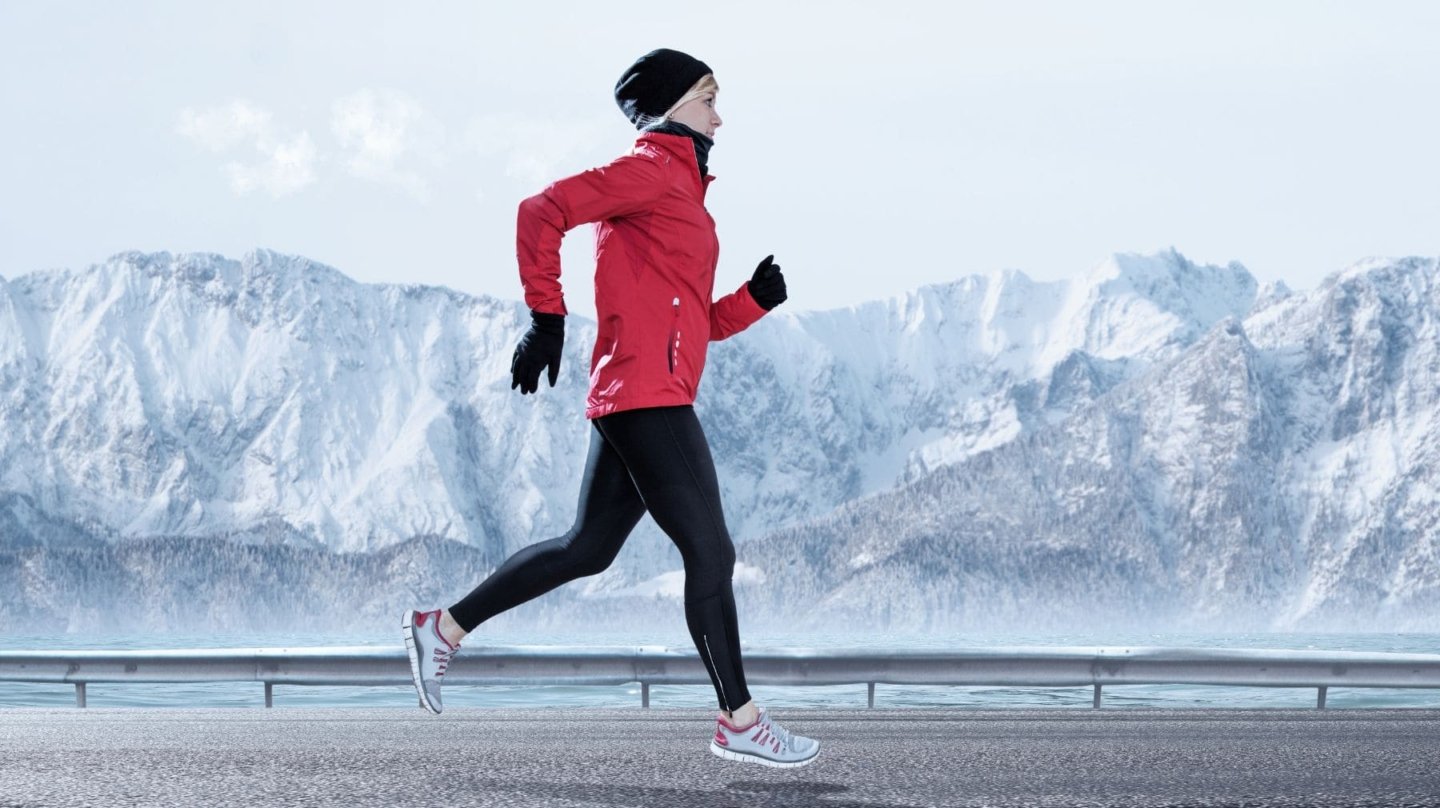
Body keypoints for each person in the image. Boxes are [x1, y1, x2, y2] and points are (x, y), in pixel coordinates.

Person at [403, 48, 819, 768]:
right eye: (708, 97)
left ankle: (442, 628)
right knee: (711, 551)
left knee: (585, 549)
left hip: (641, 394)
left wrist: (752, 301)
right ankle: (740, 720)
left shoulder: (683, 196)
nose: (721, 115)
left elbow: (693, 318)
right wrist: (547, 318)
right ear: (668, 105)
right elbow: (541, 210)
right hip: (646, 399)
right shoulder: (650, 173)